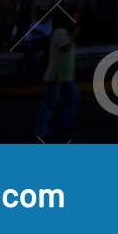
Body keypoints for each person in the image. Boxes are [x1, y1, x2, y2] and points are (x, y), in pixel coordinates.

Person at [35, 8, 79, 140]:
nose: (76, 21)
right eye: (74, 17)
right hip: (56, 75)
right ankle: (41, 130)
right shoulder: (60, 32)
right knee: (50, 103)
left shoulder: (65, 33)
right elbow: (65, 48)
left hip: (65, 76)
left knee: (71, 100)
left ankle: (64, 124)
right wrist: (75, 36)